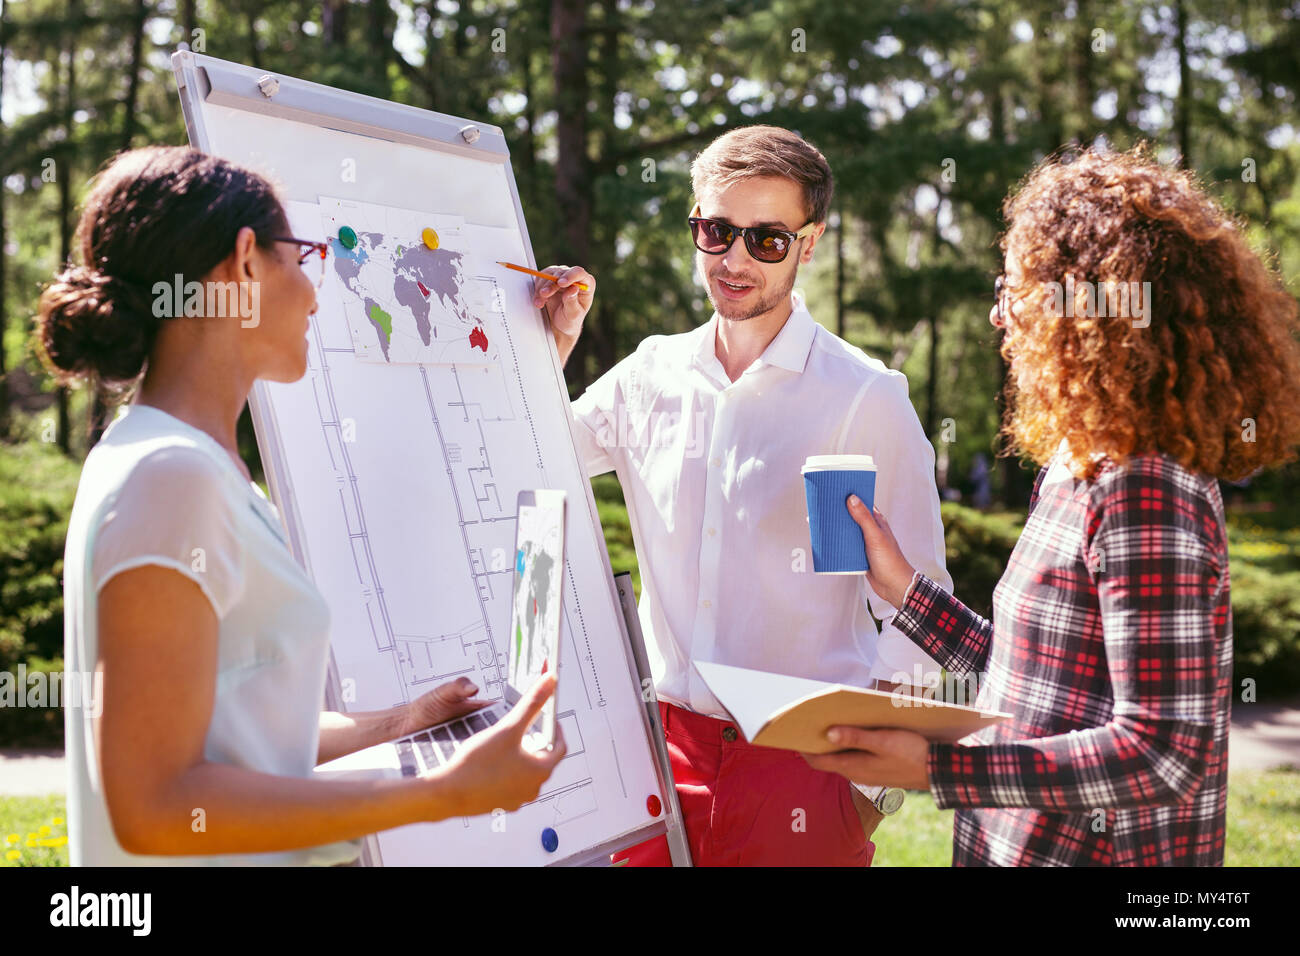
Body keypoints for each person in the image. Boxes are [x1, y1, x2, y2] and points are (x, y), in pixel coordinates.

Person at [40, 145, 565, 865]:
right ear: (246, 262)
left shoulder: (201, 469)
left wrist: (400, 724)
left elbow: (243, 733)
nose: (316, 292)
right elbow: (154, 805)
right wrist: (439, 792)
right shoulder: (169, 475)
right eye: (303, 256)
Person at [803, 145, 1300, 866]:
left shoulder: (1143, 485)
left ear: (1088, 306)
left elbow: (1165, 752)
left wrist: (939, 769)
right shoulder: (1075, 465)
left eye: (1016, 288)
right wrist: (905, 591)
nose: (1001, 314)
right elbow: (1038, 680)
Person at [533, 125, 952, 866]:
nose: (732, 260)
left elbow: (921, 606)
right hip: (653, 759)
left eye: (766, 240)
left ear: (809, 244)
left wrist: (866, 792)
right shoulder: (647, 375)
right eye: (717, 231)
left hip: (806, 767)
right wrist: (549, 355)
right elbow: (530, 462)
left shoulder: (868, 397)